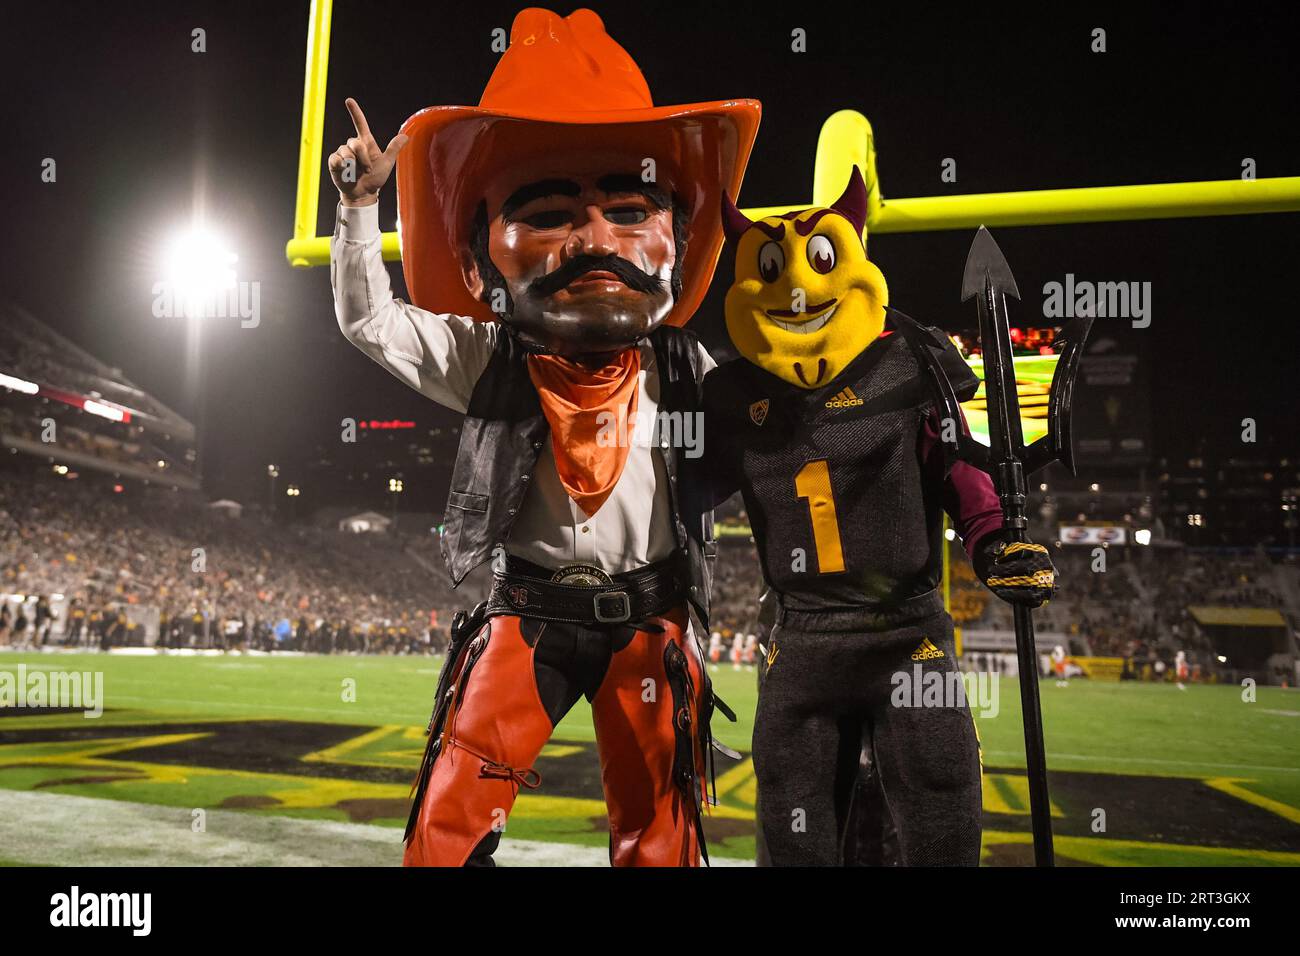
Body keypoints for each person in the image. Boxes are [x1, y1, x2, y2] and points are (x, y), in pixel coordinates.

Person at [328, 7, 759, 867]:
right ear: (484, 260)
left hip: (650, 617)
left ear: (676, 238)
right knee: (446, 833)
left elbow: (787, 434)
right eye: (554, 213)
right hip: (526, 616)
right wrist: (358, 208)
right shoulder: (487, 356)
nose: (597, 238)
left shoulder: (689, 365)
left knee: (660, 840)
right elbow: (368, 318)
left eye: (629, 209)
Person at [699, 169, 1057, 866]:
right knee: (793, 824)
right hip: (802, 636)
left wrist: (994, 546)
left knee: (941, 807)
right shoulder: (732, 394)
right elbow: (683, 493)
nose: (798, 292)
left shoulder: (909, 360)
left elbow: (960, 470)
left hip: (906, 632)